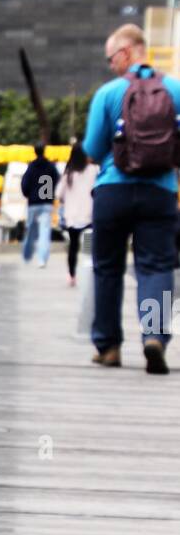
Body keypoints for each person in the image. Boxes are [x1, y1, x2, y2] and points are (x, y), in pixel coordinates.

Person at [83, 23, 180, 373]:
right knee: (156, 268)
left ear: (125, 53)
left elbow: (92, 149)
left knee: (108, 268)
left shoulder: (107, 93)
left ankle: (108, 346)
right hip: (160, 191)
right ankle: (154, 336)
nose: (110, 65)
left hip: (113, 191)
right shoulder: (175, 88)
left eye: (111, 58)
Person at [56, 141, 99, 285]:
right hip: (89, 216)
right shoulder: (94, 170)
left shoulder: (69, 173)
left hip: (72, 218)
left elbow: (59, 194)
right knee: (88, 249)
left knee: (73, 247)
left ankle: (71, 275)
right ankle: (88, 272)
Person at [20, 145, 59, 267]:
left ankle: (27, 255)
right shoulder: (51, 166)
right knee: (45, 232)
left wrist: (28, 194)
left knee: (31, 229)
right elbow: (57, 181)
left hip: (33, 203)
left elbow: (25, 184)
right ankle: (42, 259)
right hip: (47, 202)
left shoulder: (31, 167)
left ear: (35, 152)